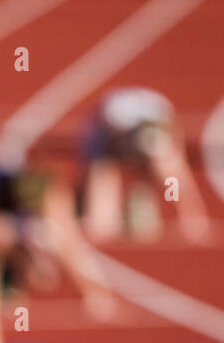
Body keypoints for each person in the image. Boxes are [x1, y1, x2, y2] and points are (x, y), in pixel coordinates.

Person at [0, 163, 115, 318]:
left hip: (28, 226)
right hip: (7, 224)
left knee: (53, 248)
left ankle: (95, 294)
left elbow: (70, 241)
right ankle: (6, 283)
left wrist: (92, 289)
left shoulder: (53, 190)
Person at [81, 86, 211, 243]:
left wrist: (190, 215)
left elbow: (175, 176)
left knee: (170, 169)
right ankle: (116, 215)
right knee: (102, 224)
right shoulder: (109, 126)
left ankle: (143, 208)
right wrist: (100, 215)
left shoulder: (162, 126)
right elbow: (100, 172)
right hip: (110, 138)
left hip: (152, 127)